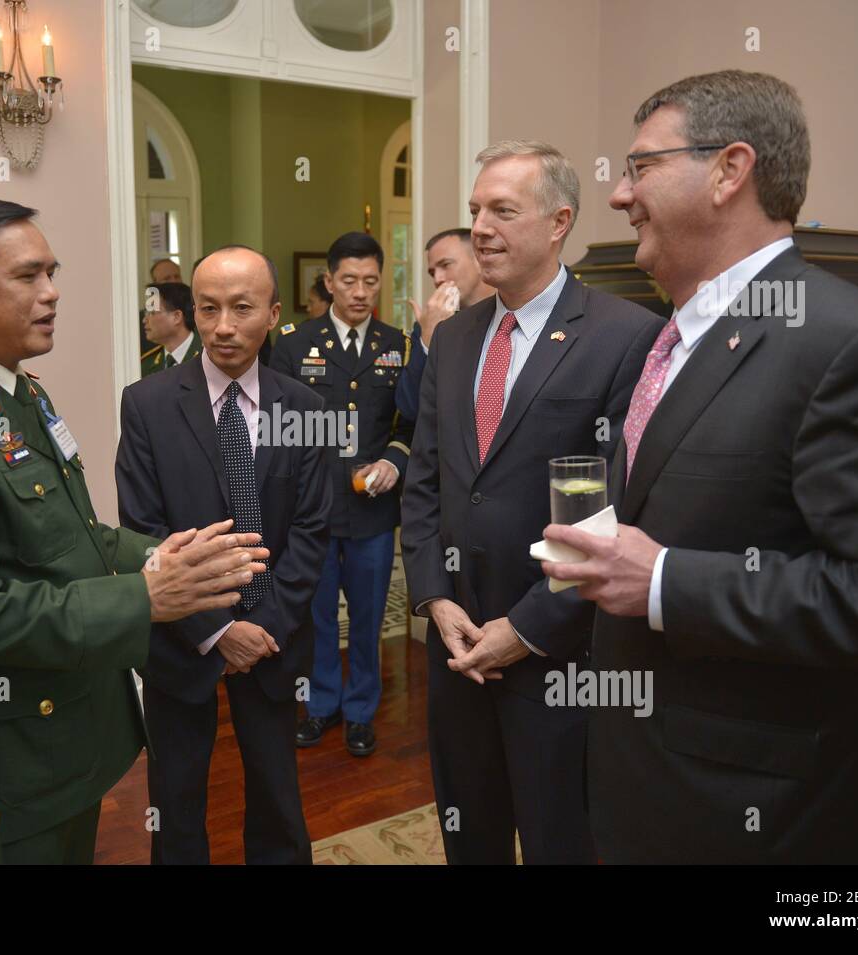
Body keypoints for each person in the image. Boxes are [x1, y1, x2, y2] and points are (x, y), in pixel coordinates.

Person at [540, 70, 858, 863]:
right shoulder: (671, 333)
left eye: (640, 168)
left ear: (730, 170)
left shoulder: (847, 343)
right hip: (643, 773)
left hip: (753, 808)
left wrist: (665, 582)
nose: (621, 196)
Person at [0, 197, 268, 864]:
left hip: (62, 737)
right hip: (11, 758)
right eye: (27, 276)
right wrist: (147, 595)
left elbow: (67, 533)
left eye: (52, 273)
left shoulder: (14, 391)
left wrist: (164, 552)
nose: (52, 293)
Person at [401, 141, 661, 864]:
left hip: (558, 655)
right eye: (476, 210)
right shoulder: (451, 339)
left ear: (558, 222)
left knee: (560, 841)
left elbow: (617, 507)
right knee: (469, 836)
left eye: (502, 210)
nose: (480, 226)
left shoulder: (624, 335)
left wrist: (526, 627)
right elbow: (426, 480)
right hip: (455, 654)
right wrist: (433, 599)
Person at [117, 245, 331, 864]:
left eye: (242, 308)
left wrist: (260, 628)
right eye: (208, 309)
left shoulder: (307, 409)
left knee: (276, 792)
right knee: (176, 798)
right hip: (181, 639)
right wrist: (216, 631)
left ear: (274, 313)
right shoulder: (148, 404)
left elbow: (313, 530)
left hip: (274, 636)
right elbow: (143, 530)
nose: (223, 327)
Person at [271, 232, 413, 757]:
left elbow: (409, 423)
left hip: (373, 512)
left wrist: (392, 462)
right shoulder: (291, 342)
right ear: (329, 281)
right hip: (312, 511)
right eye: (348, 281)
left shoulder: (397, 346)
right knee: (319, 616)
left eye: (370, 281)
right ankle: (321, 704)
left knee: (370, 616)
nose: (360, 292)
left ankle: (360, 711)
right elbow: (277, 427)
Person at [396, 228, 494, 422]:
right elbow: (409, 408)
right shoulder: (428, 324)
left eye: (445, 265)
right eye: (432, 272)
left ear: (478, 259)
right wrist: (428, 338)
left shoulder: (510, 315)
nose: (438, 279)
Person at [141, 281, 202, 376]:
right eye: (146, 313)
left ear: (176, 317)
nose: (145, 320)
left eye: (152, 312)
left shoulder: (207, 355)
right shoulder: (147, 364)